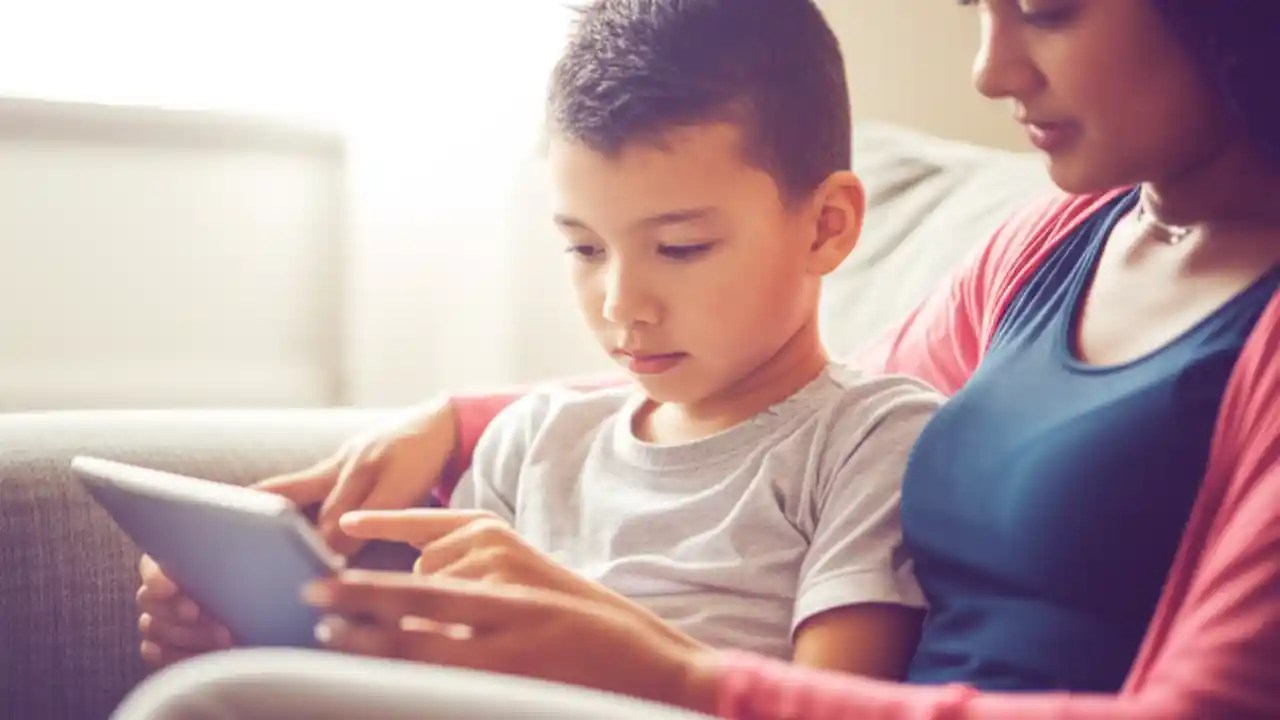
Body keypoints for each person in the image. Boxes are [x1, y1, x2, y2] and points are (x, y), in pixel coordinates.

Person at [127, 0, 1280, 717]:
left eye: (1048, 5)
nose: (987, 69)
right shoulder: (1052, 241)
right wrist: (462, 420)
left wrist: (661, 674)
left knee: (213, 712)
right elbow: (774, 394)